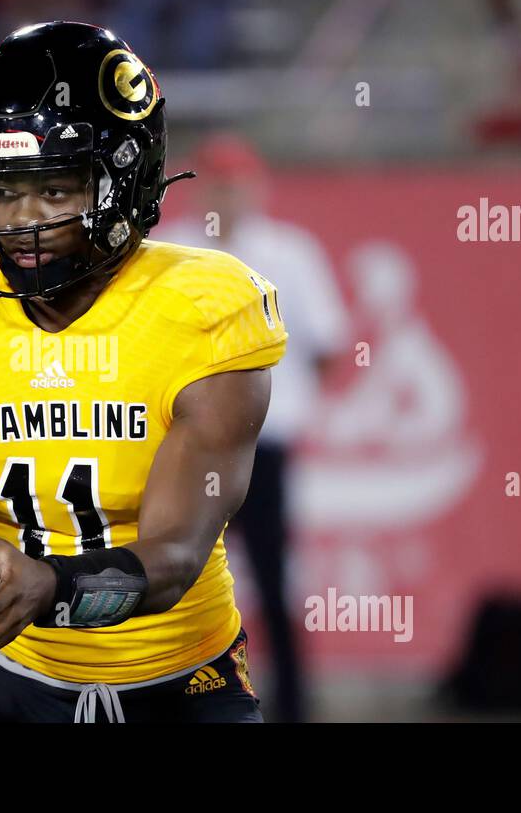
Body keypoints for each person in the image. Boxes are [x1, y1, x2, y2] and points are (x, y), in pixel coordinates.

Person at [0, 21, 288, 723]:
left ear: (125, 178)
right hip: (11, 679)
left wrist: (49, 586)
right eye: (1, 191)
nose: (20, 222)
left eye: (54, 190)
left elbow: (175, 554)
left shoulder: (203, 309)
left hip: (183, 689)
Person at [160, 134, 350, 722]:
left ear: (256, 189)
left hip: (263, 446)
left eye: (236, 184)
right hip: (186, 447)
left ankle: (292, 707)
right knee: (176, 578)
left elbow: (326, 344)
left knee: (272, 578)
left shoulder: (289, 252)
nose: (226, 196)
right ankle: (172, 701)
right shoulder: (166, 253)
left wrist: (283, 403)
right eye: (216, 184)